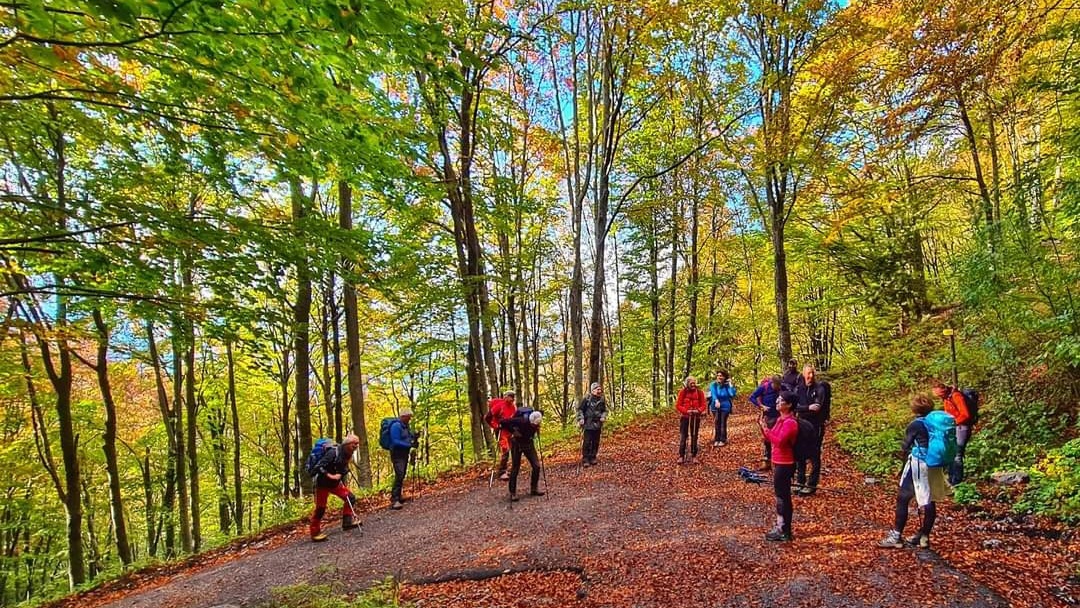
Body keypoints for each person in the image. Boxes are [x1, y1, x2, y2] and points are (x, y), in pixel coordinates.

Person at [878, 394, 948, 549]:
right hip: (935, 464)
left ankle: (896, 536)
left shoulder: (915, 425)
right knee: (929, 500)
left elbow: (905, 446)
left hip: (919, 463)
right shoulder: (936, 423)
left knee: (903, 498)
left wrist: (901, 465)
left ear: (914, 409)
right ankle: (924, 536)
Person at [759, 392, 799, 541]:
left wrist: (767, 431)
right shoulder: (780, 420)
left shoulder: (790, 422)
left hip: (785, 463)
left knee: (783, 497)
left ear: (788, 405)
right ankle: (781, 527)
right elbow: (770, 439)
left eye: (781, 400)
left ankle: (784, 530)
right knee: (780, 496)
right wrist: (764, 428)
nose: (777, 401)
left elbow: (779, 441)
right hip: (778, 461)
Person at [309, 434, 362, 542]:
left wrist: (340, 474)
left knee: (350, 498)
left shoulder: (347, 454)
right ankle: (315, 533)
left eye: (357, 443)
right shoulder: (333, 452)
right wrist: (331, 476)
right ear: (347, 444)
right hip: (323, 484)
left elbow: (343, 469)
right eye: (354, 444)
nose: (356, 446)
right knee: (320, 509)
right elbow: (319, 467)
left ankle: (347, 523)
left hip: (335, 484)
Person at [794, 365, 831, 495]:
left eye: (812, 373)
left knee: (815, 455)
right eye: (808, 373)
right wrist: (807, 407)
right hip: (802, 425)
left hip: (816, 426)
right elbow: (795, 406)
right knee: (800, 454)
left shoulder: (820, 388)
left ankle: (811, 485)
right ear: (803, 374)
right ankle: (800, 481)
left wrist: (805, 408)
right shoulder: (799, 388)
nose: (810, 376)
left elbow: (818, 406)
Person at [931, 381, 972, 485]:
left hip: (962, 428)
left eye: (939, 394)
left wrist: (953, 423)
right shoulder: (946, 398)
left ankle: (957, 481)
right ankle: (951, 479)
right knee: (950, 453)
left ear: (943, 390)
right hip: (953, 428)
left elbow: (965, 414)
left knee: (957, 454)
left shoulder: (956, 396)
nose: (939, 397)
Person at [499, 410, 545, 501]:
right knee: (515, 467)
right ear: (530, 421)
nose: (535, 426)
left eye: (537, 425)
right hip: (517, 443)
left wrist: (537, 429)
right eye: (534, 425)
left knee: (536, 466)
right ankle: (512, 493)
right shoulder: (521, 420)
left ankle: (534, 489)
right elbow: (503, 422)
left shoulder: (537, 418)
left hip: (528, 443)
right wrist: (513, 431)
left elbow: (541, 412)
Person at [387, 408, 419, 510]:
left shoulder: (405, 426)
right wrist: (409, 444)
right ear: (403, 416)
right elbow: (395, 441)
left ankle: (398, 496)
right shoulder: (396, 426)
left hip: (404, 453)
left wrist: (414, 436)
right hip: (397, 454)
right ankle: (394, 499)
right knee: (399, 474)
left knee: (402, 474)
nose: (409, 419)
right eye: (408, 417)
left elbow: (407, 437)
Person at [749, 375, 782, 470]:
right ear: (773, 383)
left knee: (778, 439)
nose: (779, 387)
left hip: (779, 416)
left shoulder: (782, 387)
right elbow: (752, 397)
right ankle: (767, 461)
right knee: (767, 439)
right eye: (777, 385)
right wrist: (761, 406)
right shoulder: (764, 387)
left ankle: (777, 462)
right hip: (768, 417)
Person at [486, 390, 518, 481]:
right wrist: (495, 426)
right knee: (505, 451)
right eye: (510, 396)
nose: (512, 398)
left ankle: (512, 469)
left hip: (510, 431)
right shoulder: (499, 406)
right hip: (501, 431)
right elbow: (487, 417)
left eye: (513, 396)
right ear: (506, 397)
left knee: (514, 450)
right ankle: (502, 472)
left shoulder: (514, 407)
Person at [676, 376, 708, 464]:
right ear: (687, 384)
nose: (693, 385)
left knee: (694, 435)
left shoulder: (700, 392)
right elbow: (678, 405)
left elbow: (703, 405)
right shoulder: (682, 392)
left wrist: (698, 410)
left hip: (695, 417)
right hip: (685, 417)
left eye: (694, 383)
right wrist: (686, 411)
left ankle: (694, 455)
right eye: (691, 383)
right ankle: (681, 455)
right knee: (683, 436)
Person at [577, 382, 608, 466]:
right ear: (593, 390)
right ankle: (585, 459)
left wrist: (603, 417)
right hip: (588, 424)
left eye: (600, 389)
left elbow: (604, 410)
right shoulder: (586, 399)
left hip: (598, 424)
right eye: (597, 389)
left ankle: (593, 457)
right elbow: (580, 410)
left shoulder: (602, 400)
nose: (599, 391)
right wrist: (581, 419)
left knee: (596, 441)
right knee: (587, 442)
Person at [708, 370, 737, 447]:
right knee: (717, 422)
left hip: (725, 406)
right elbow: (713, 394)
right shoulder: (713, 384)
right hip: (715, 405)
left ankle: (723, 439)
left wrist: (730, 384)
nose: (719, 377)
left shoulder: (727, 385)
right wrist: (716, 401)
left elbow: (732, 394)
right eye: (718, 375)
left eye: (721, 376)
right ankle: (716, 439)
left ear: (725, 377)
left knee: (723, 422)